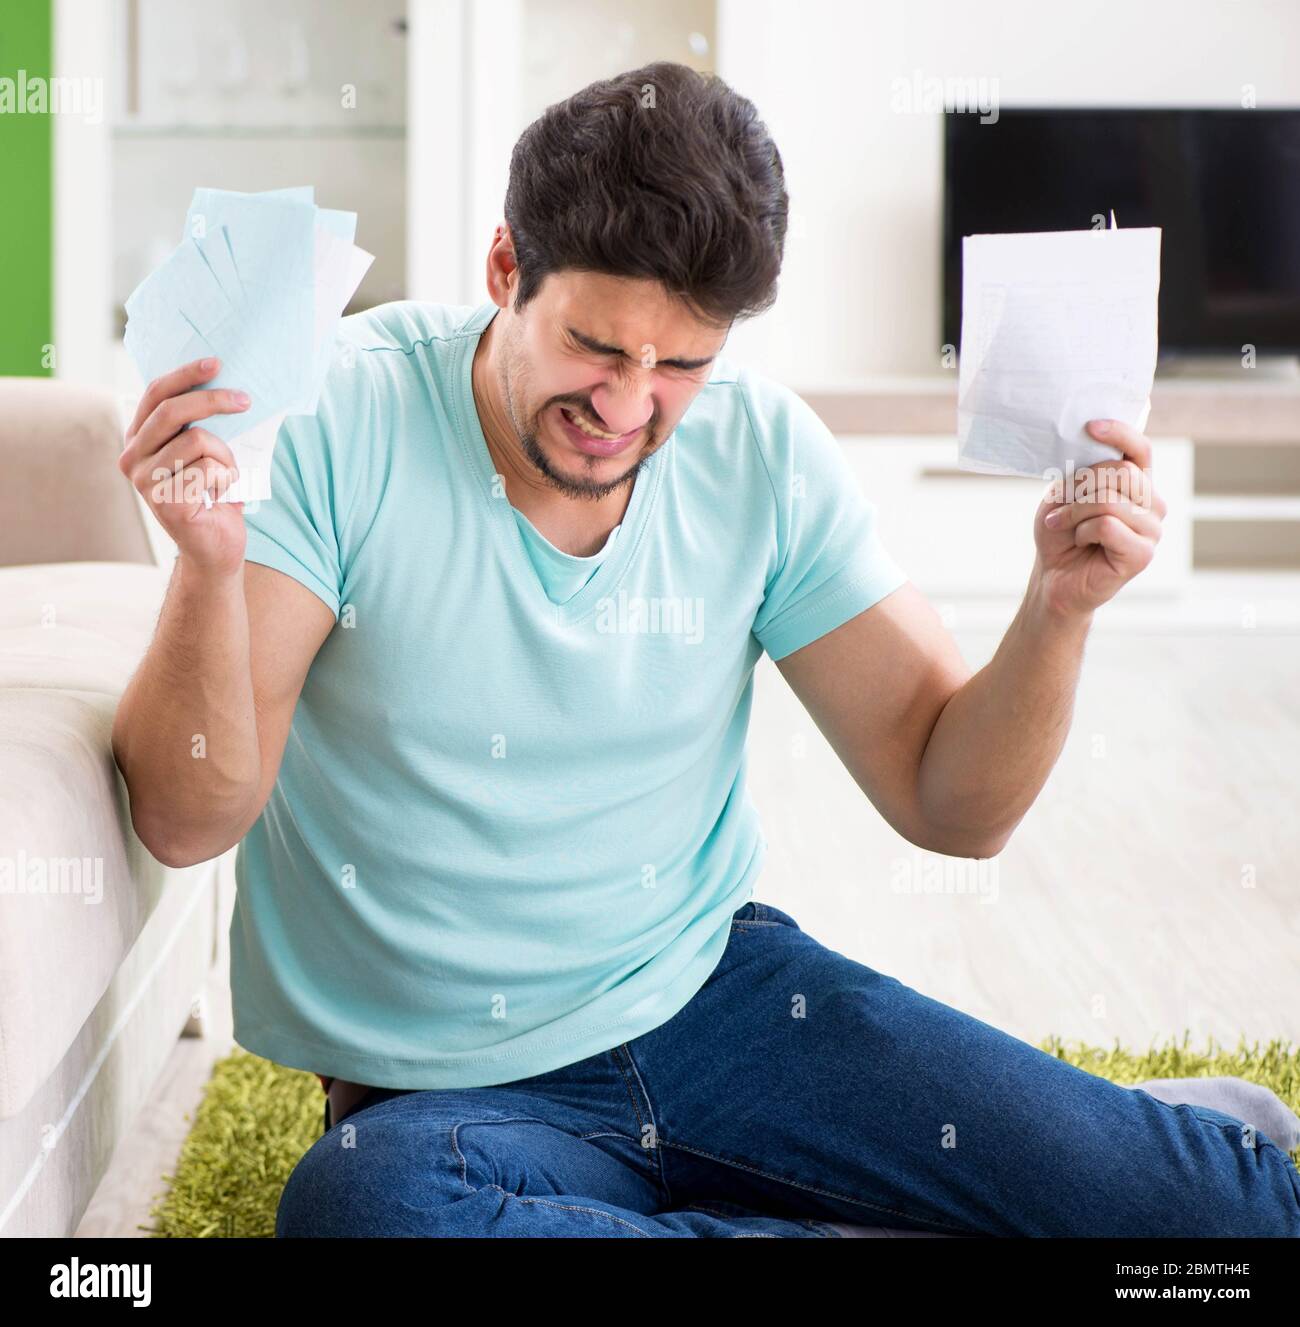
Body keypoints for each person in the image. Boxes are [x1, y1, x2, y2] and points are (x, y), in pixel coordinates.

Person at [111, 62, 1300, 1237]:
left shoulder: (760, 452)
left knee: (1229, 1211)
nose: (628, 407)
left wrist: (1058, 606)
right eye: (597, 348)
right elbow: (183, 817)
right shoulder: (339, 420)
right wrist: (211, 566)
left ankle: (1096, 1167)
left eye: (679, 364)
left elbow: (952, 804)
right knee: (359, 1209)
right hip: (448, 1099)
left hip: (722, 1007)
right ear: (504, 269)